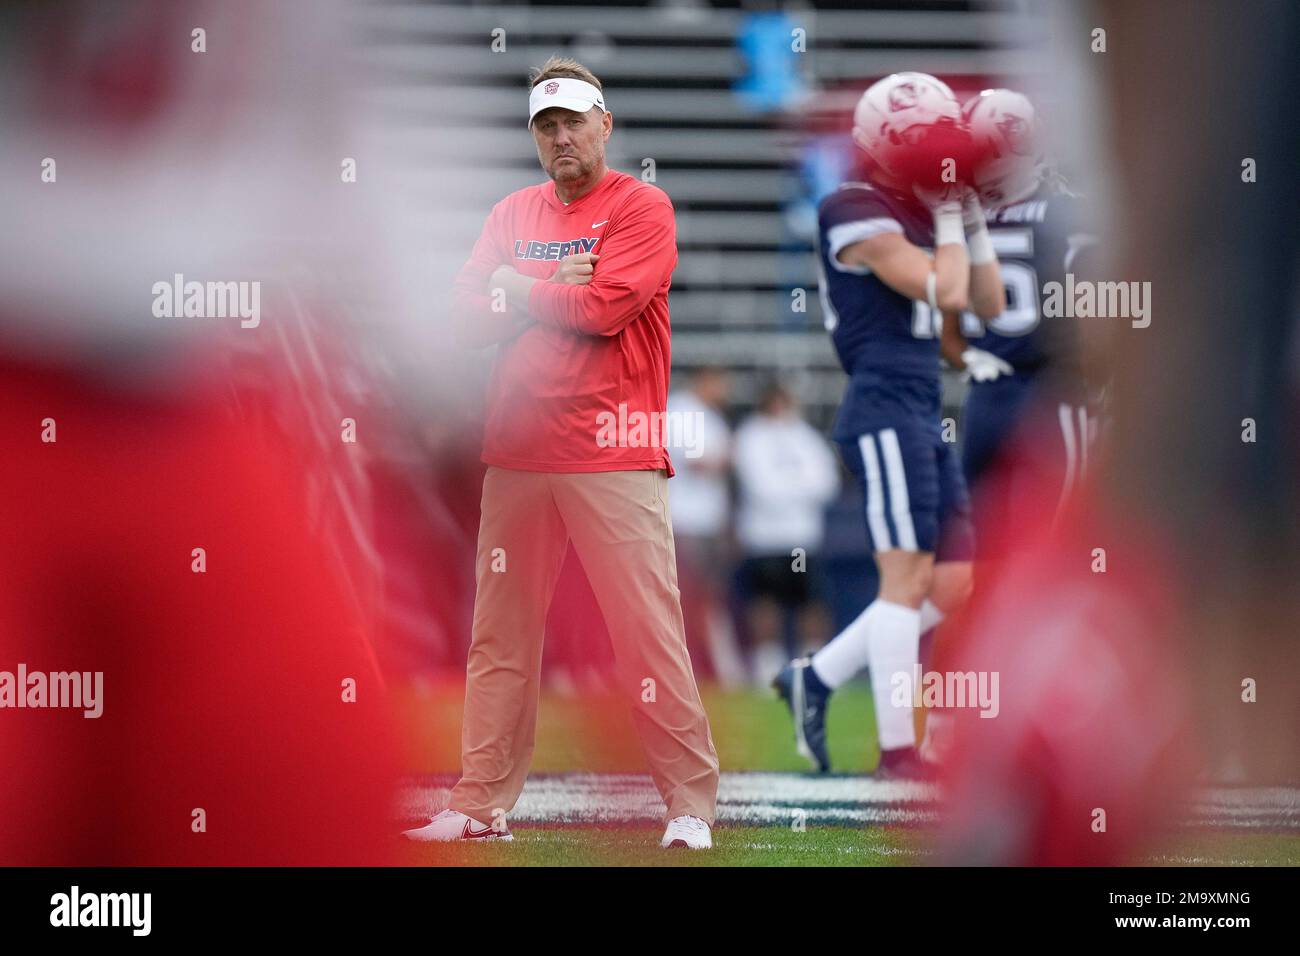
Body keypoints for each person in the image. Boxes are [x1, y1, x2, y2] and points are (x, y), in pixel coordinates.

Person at [402, 56, 720, 849]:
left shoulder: (644, 207)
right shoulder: (512, 212)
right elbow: (461, 319)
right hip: (517, 454)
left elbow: (606, 308)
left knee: (646, 632)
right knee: (500, 639)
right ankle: (479, 802)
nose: (561, 137)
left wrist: (513, 289)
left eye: (574, 121)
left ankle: (688, 805)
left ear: (605, 124)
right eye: (546, 125)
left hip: (613, 453)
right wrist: (531, 291)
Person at [774, 72, 1005, 776]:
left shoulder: (911, 208)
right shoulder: (850, 205)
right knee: (903, 580)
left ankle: (814, 677)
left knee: (954, 583)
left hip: (922, 407)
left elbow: (987, 302)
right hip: (879, 404)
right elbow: (948, 289)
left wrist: (968, 216)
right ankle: (898, 750)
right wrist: (943, 216)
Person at [732, 382, 840, 685]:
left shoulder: (804, 436)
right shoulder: (750, 436)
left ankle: (812, 666)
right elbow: (761, 487)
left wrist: (790, 488)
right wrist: (798, 488)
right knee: (765, 602)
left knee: (810, 601)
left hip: (801, 538)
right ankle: (768, 666)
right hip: (764, 539)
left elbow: (826, 482)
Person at [666, 367, 747, 687]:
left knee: (710, 594)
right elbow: (698, 463)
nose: (724, 390)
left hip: (708, 520)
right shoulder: (679, 410)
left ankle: (711, 662)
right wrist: (725, 459)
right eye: (720, 382)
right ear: (704, 379)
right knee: (687, 595)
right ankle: (693, 664)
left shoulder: (710, 416)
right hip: (684, 519)